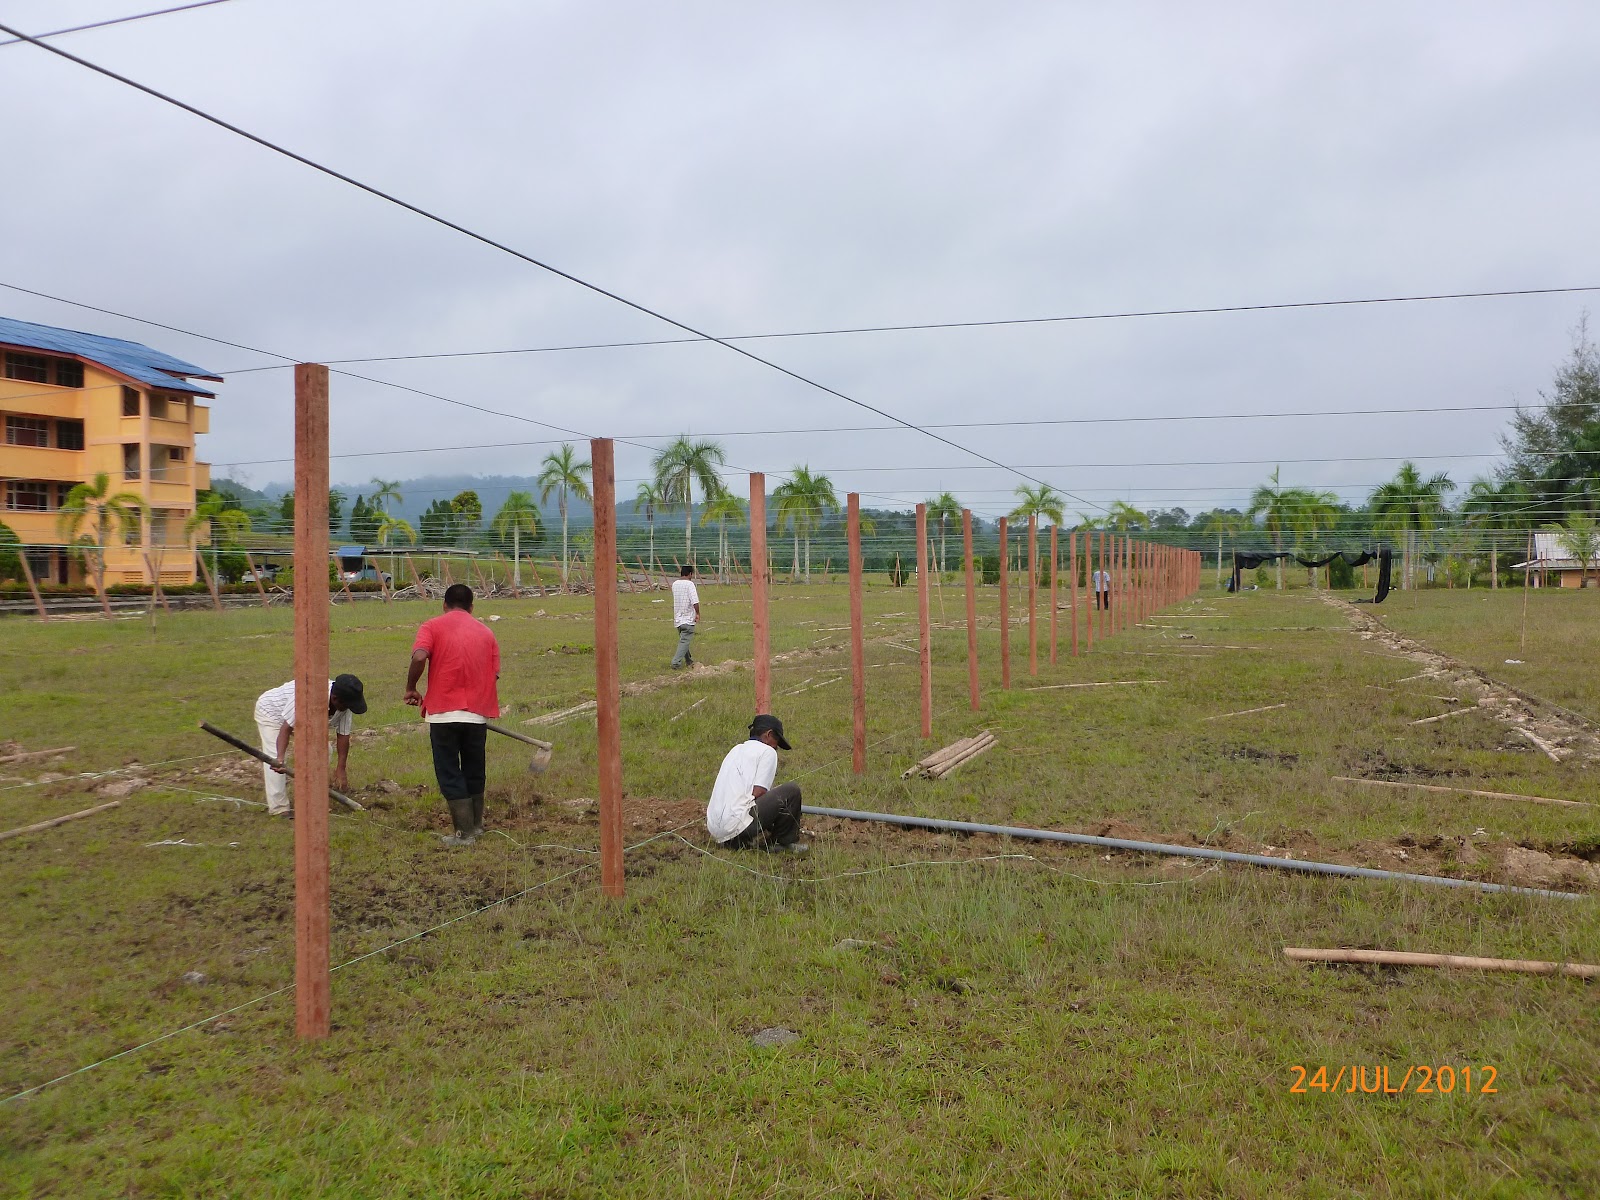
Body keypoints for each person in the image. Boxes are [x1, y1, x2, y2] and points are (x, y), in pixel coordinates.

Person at [405, 583, 501, 847]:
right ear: (472, 607)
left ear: (444, 604)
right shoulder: (487, 633)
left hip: (443, 714)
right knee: (474, 769)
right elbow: (493, 675)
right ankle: (476, 826)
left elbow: (420, 656)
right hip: (476, 716)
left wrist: (411, 688)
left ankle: (463, 833)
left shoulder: (432, 626)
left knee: (449, 772)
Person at [253, 674, 368, 818]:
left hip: (305, 718)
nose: (348, 709)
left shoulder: (344, 704)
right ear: (335, 699)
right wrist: (280, 758)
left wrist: (341, 769)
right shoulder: (308, 695)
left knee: (324, 751)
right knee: (274, 758)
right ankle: (279, 809)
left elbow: (343, 735)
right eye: (347, 705)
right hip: (272, 712)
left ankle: (312, 800)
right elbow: (286, 728)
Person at [706, 714, 807, 853]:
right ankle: (783, 843)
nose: (776, 746)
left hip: (716, 829)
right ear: (768, 734)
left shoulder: (735, 750)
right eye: (776, 739)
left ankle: (735, 842)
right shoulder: (768, 752)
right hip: (737, 825)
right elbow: (759, 792)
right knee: (791, 790)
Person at [670, 563, 700, 669]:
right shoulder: (690, 584)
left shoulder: (675, 584)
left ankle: (688, 661)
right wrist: (697, 613)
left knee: (684, 640)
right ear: (690, 574)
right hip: (688, 618)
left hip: (678, 619)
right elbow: (695, 601)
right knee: (684, 641)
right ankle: (676, 663)